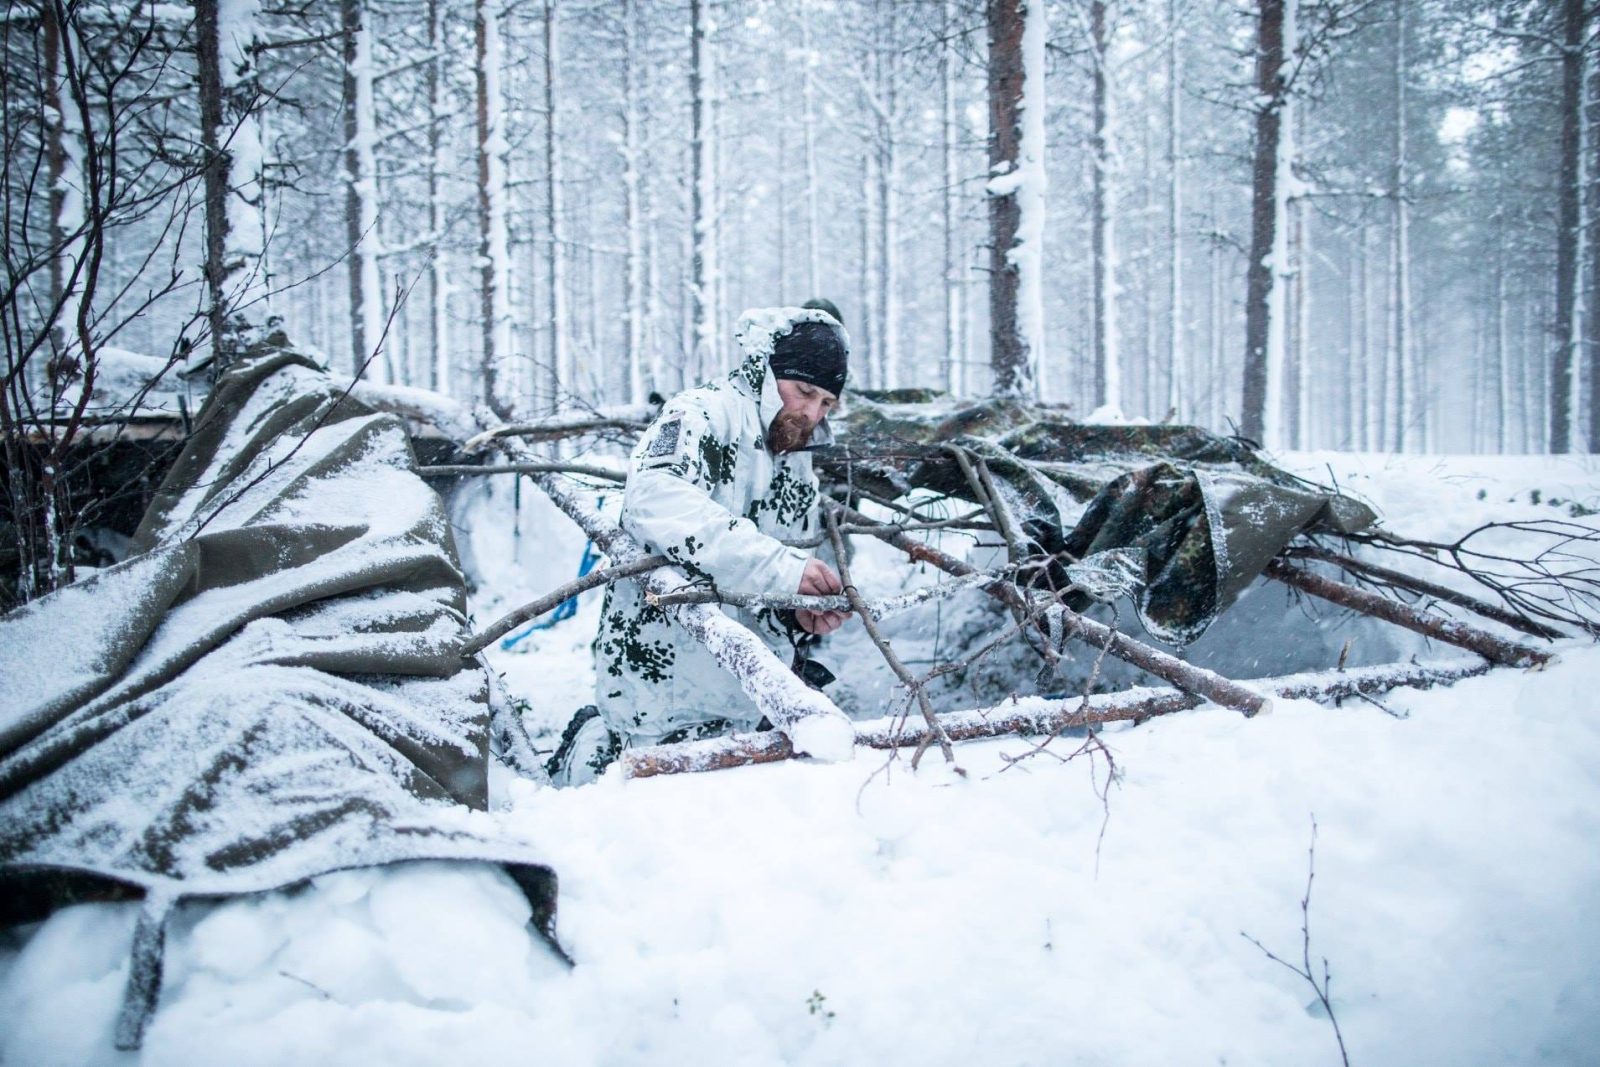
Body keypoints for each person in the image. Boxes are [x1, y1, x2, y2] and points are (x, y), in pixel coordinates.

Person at [548, 305, 852, 785]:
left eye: (826, 404)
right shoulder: (704, 413)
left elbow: (779, 557)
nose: (811, 414)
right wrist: (780, 569)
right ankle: (591, 751)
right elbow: (654, 499)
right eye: (804, 392)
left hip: (748, 691)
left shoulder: (795, 455)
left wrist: (796, 607)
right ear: (764, 372)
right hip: (661, 689)